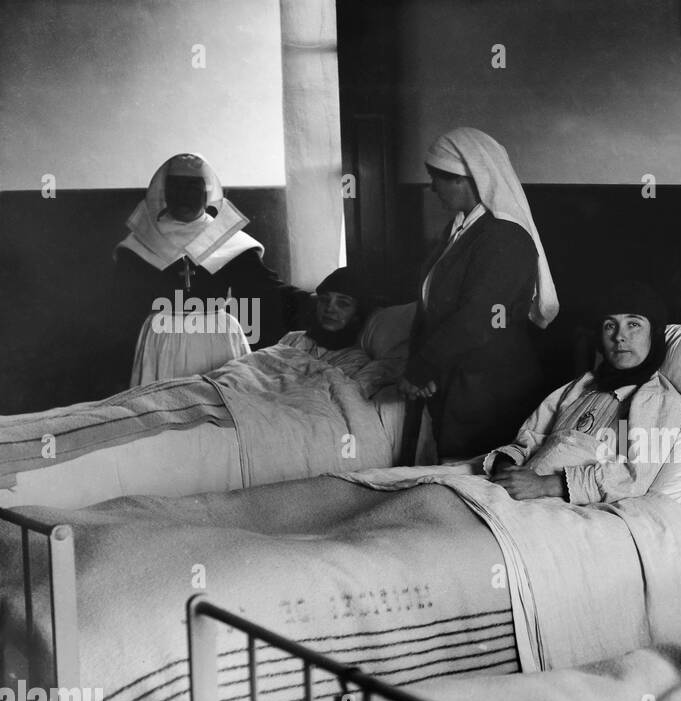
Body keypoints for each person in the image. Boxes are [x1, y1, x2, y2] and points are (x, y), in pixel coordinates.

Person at [400, 127, 559, 461]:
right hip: (459, 378)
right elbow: (432, 307)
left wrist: (423, 368)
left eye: (437, 179)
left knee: (475, 482)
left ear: (465, 178)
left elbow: (478, 319)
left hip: (489, 387)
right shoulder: (463, 229)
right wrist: (424, 368)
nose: (431, 188)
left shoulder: (504, 238)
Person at [113, 153, 308, 384]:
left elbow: (268, 289)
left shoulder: (229, 240)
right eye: (176, 187)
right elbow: (119, 302)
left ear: (207, 194)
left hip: (219, 339)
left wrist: (313, 301)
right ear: (164, 192)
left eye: (193, 188)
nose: (184, 196)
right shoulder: (142, 241)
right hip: (162, 340)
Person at [483, 281, 681, 504]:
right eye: (610, 325)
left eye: (634, 324)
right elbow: (529, 438)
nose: (619, 336)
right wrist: (507, 470)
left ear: (654, 335)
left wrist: (544, 485)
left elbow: (631, 477)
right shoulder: (585, 385)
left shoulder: (656, 399)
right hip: (521, 488)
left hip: (567, 504)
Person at [276, 267, 398, 399]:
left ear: (357, 313)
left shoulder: (356, 360)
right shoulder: (292, 338)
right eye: (324, 300)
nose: (329, 308)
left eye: (343, 303)